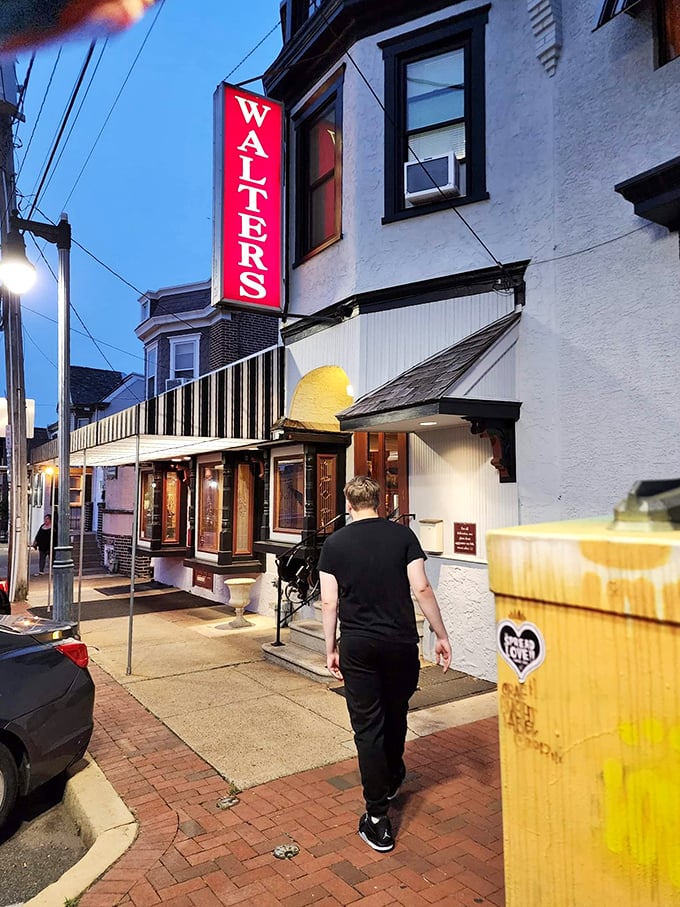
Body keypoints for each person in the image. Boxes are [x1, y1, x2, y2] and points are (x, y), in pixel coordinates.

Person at [319, 476, 452, 853]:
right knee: (396, 713)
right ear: (380, 502)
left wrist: (330, 647)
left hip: (359, 645)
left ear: (348, 503)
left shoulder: (334, 544)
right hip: (400, 643)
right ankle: (392, 776)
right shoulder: (403, 537)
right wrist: (441, 635)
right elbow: (422, 588)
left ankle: (377, 817)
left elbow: (330, 603)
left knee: (368, 727)